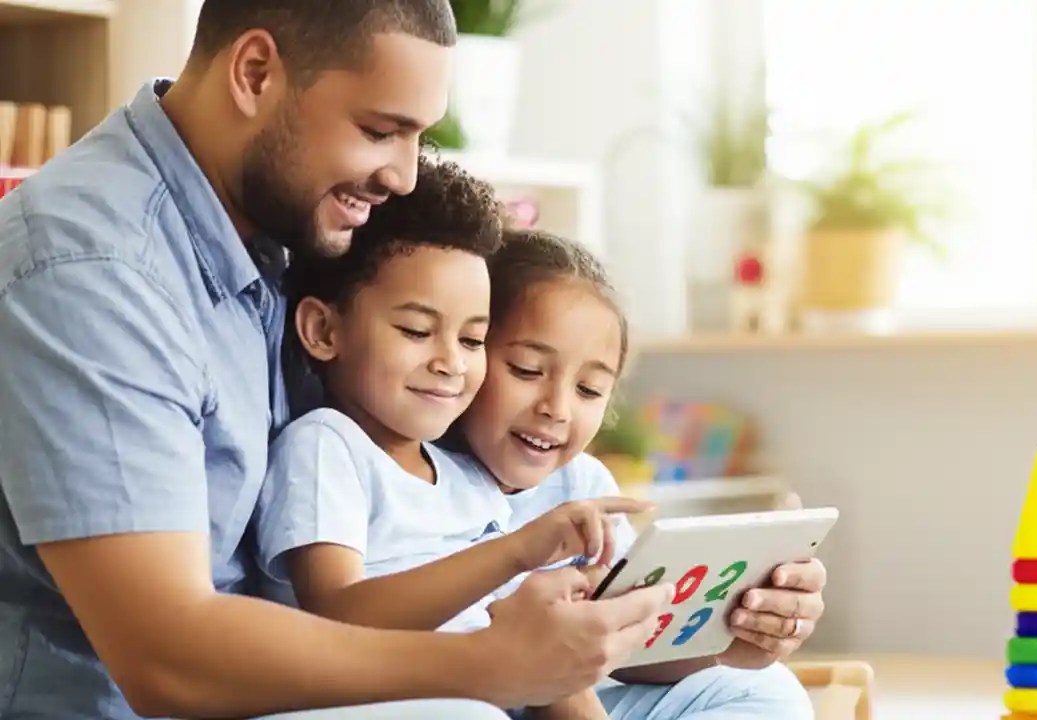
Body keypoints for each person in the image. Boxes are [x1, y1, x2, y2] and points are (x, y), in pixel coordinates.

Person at [0, 1, 667, 718]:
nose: (405, 177)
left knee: (746, 693)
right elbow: (163, 655)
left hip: (340, 671)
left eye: (418, 137)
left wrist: (708, 614)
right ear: (255, 74)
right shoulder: (92, 269)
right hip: (165, 702)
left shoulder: (296, 224)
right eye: (380, 130)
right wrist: (487, 664)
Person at [256, 224, 827, 719]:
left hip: (529, 696)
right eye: (526, 369)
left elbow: (624, 653)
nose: (557, 407)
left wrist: (731, 633)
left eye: (589, 389)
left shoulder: (567, 485)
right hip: (445, 695)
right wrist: (524, 561)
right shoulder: (356, 451)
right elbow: (344, 616)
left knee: (766, 691)